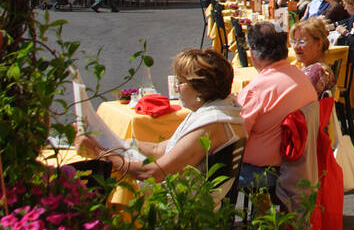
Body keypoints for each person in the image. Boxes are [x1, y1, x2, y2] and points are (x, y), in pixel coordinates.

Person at [75, 49, 244, 180]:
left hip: (181, 208)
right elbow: (158, 149)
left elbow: (154, 173)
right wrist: (116, 142)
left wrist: (99, 152)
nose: (176, 87)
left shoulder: (210, 125)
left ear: (201, 88)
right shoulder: (219, 112)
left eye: (181, 82)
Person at [236, 22, 318, 191]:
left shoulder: (257, 90)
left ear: (252, 52)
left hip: (265, 172)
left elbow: (235, 135)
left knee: (207, 170)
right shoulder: (300, 77)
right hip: (299, 166)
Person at [290, 16, 336, 97]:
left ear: (318, 44)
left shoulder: (316, 72)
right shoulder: (310, 68)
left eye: (301, 42)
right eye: (294, 42)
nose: (295, 47)